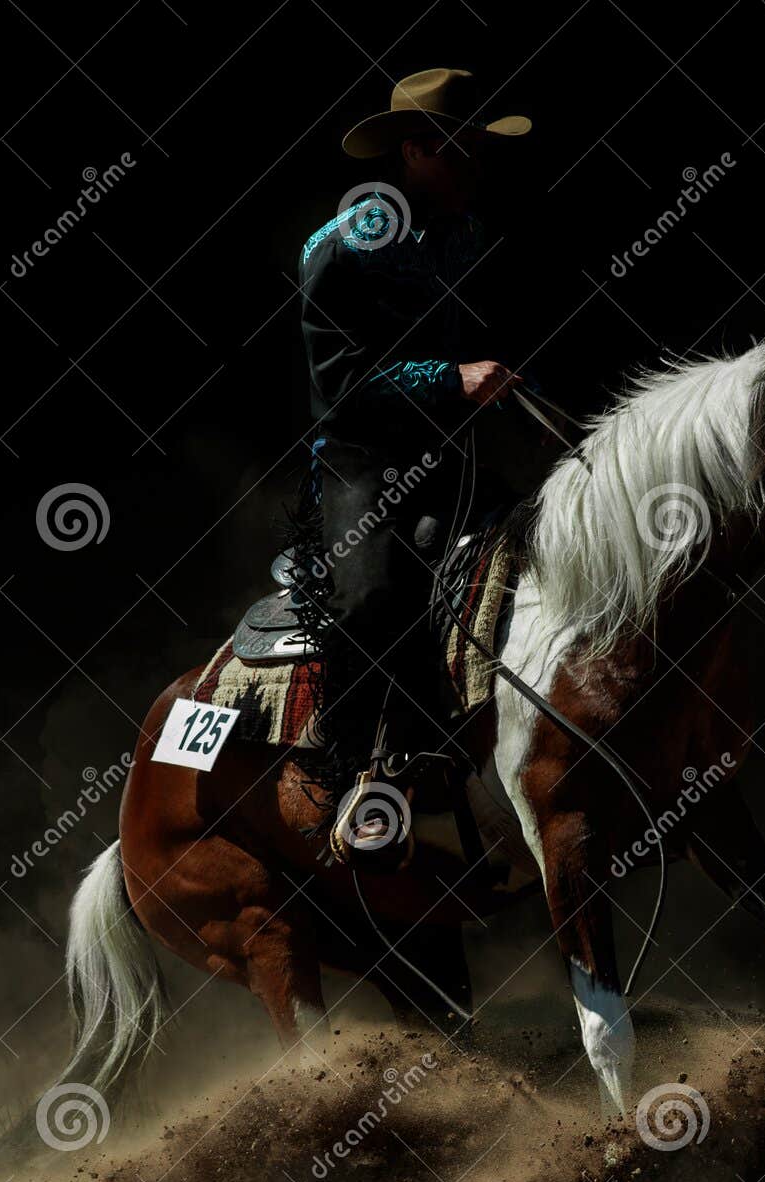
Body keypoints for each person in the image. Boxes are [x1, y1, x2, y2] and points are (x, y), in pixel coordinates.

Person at [298, 68, 531, 865]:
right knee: (374, 595)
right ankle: (362, 781)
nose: (478, 166)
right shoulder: (347, 242)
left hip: (446, 458)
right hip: (361, 465)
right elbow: (340, 390)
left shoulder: (462, 232)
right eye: (467, 150)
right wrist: (450, 378)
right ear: (418, 151)